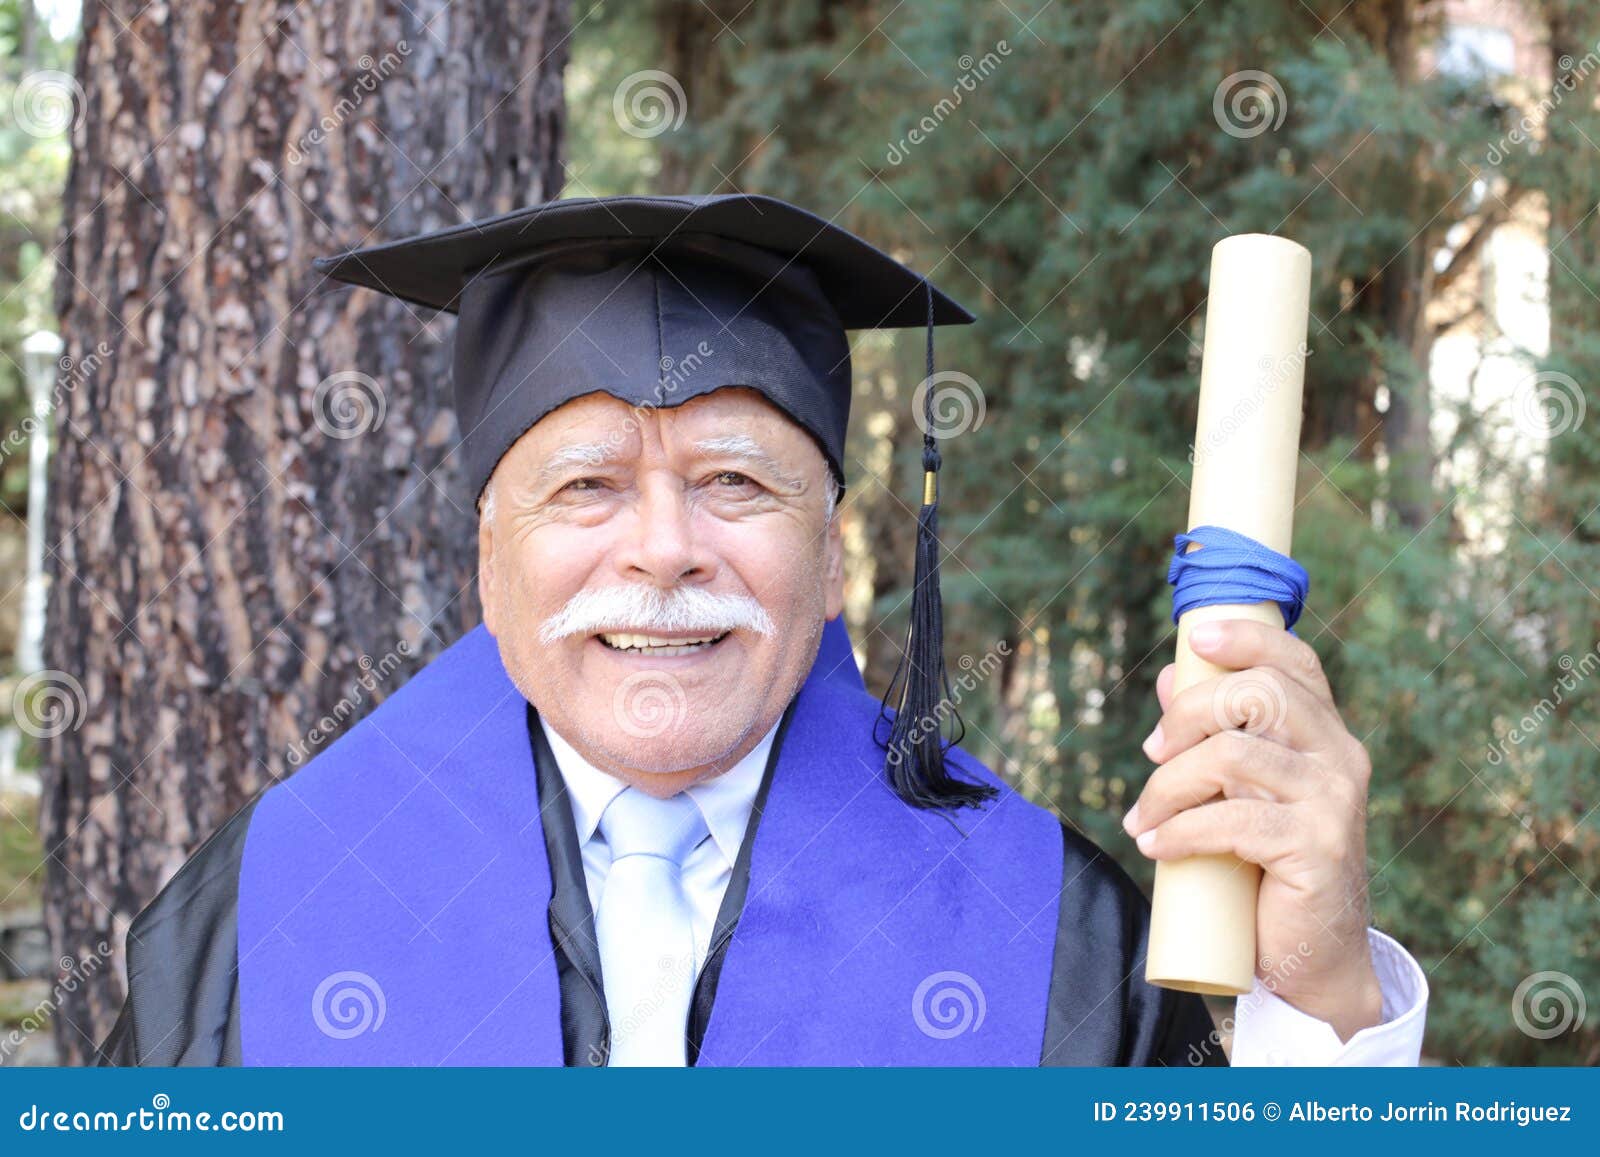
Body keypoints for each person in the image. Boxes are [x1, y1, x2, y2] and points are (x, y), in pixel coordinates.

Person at [98, 194, 1425, 1066]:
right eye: (585, 485)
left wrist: (1322, 1004)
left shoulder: (1056, 937)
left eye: (736, 480)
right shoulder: (270, 911)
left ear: (831, 546)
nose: (666, 545)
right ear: (485, 557)